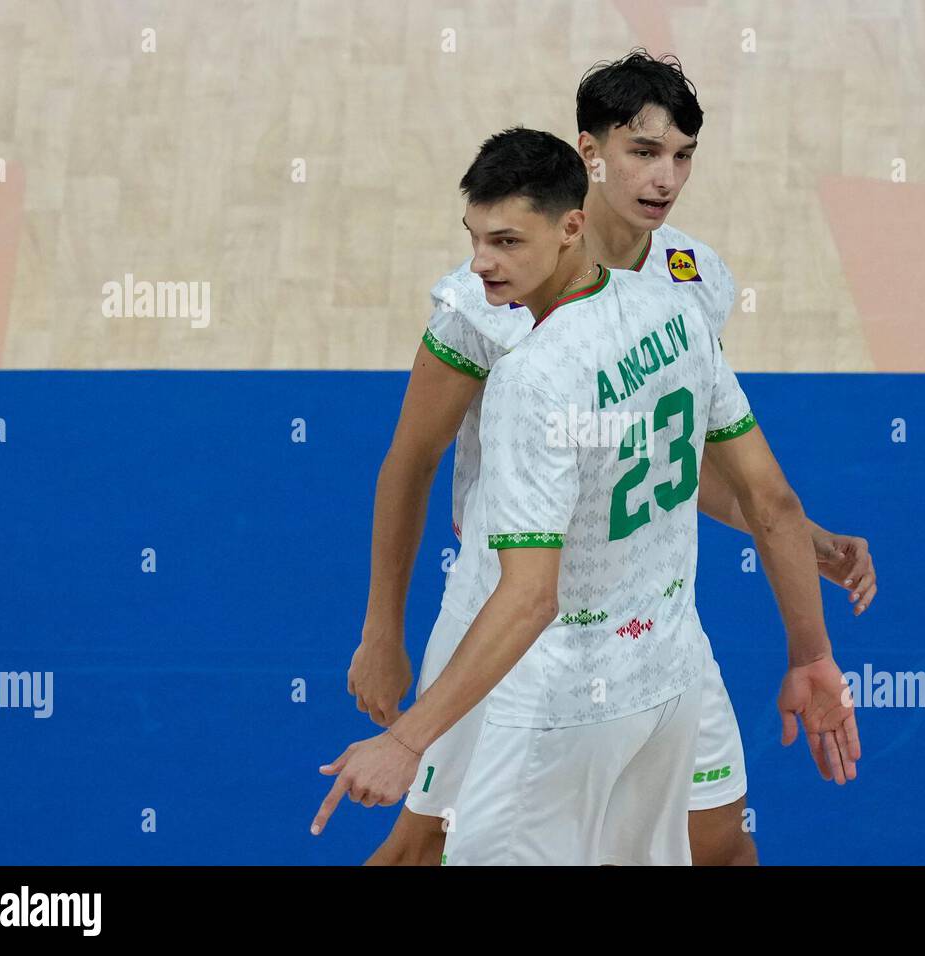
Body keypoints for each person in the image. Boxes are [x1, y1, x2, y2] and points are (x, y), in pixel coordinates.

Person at [350, 52, 877, 866]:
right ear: (589, 153)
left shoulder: (689, 284)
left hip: (649, 613)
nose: (665, 177)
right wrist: (383, 628)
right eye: (643, 151)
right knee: (424, 844)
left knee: (723, 846)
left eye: (682, 156)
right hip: (508, 607)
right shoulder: (484, 298)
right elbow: (410, 460)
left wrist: (799, 533)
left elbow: (670, 455)